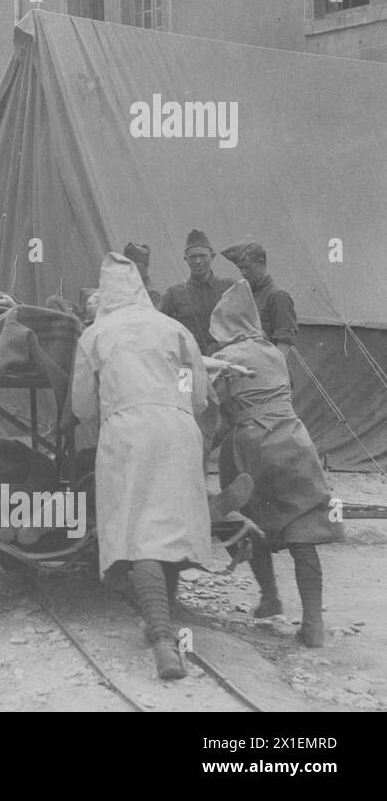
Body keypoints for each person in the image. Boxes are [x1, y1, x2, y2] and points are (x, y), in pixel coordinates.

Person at [71, 253, 213, 681]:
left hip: (129, 432)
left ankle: (163, 636)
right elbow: (197, 391)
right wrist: (174, 398)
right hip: (178, 428)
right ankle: (162, 623)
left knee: (140, 532)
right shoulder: (174, 329)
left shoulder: (96, 335)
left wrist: (115, 396)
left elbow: (81, 407)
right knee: (169, 526)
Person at [208, 280, 342, 647]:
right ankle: (313, 623)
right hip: (294, 439)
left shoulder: (227, 359)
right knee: (303, 529)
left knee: (248, 520)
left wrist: (204, 449)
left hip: (252, 446)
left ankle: (270, 597)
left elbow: (223, 415)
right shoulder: (271, 351)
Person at [159, 229, 234, 355]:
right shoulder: (174, 294)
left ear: (212, 256)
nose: (198, 261)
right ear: (185, 259)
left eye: (203, 256)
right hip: (191, 362)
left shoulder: (229, 288)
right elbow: (161, 328)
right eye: (193, 257)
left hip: (228, 361)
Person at [220, 242, 298, 358]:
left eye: (247, 267)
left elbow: (284, 341)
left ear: (261, 263)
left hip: (270, 368)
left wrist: (273, 368)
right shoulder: (245, 293)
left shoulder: (278, 296)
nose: (243, 273)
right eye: (241, 268)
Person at [122, 242, 161, 307]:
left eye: (133, 264)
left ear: (145, 266)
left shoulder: (151, 294)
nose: (128, 268)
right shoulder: (119, 287)